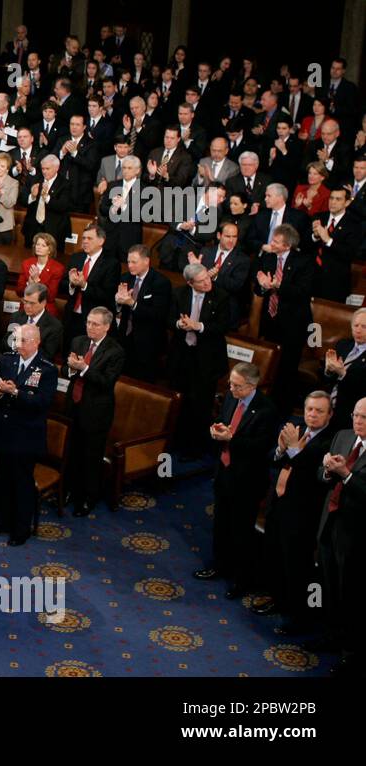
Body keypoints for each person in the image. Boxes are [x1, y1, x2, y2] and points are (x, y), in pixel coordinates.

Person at [195, 363, 279, 601]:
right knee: (221, 523)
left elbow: (262, 448)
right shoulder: (232, 398)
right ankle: (219, 565)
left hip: (248, 480)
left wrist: (231, 439)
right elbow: (223, 419)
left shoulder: (267, 410)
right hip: (224, 471)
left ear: (252, 386)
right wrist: (217, 429)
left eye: (237, 385)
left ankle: (241, 580)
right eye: (230, 383)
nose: (231, 388)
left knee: (242, 531)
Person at [260, 391, 335, 633]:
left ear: (329, 415)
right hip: (279, 502)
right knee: (275, 556)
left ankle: (297, 617)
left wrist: (292, 448)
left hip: (304, 513)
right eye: (309, 409)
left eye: (319, 411)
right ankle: (278, 600)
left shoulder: (330, 441)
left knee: (296, 567)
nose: (312, 415)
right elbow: (273, 459)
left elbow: (310, 471)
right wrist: (281, 450)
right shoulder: (298, 428)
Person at [0, 323, 57, 545]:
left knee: (22, 484)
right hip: (4, 432)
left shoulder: (47, 369)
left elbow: (41, 403)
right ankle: (0, 522)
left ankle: (20, 530)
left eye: (23, 341)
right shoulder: (7, 360)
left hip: (26, 437)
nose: (18, 345)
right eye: (16, 340)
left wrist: (15, 392)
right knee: (3, 479)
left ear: (36, 342)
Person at [315, 395, 366, 676]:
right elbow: (322, 478)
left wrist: (346, 475)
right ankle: (331, 635)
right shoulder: (344, 436)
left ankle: (351, 652)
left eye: (363, 417)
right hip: (330, 523)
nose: (357, 421)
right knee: (329, 584)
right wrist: (326, 471)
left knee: (352, 594)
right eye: (355, 415)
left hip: (356, 536)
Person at [64, 307, 125, 516]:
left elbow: (106, 383)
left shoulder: (115, 351)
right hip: (73, 407)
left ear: (107, 326)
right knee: (71, 452)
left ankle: (89, 498)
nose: (90, 327)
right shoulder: (78, 341)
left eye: (95, 324)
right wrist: (72, 368)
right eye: (88, 322)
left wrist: (84, 369)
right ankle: (69, 490)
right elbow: (67, 370)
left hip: (96, 412)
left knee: (90, 458)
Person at [169, 263, 231, 457]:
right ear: (189, 283)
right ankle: (176, 441)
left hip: (207, 359)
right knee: (181, 401)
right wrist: (179, 324)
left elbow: (224, 326)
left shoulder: (221, 296)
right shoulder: (179, 294)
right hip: (182, 356)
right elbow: (168, 318)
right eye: (201, 280)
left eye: (207, 277)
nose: (207, 282)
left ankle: (195, 448)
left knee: (200, 405)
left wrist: (199, 326)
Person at [253, 224, 314, 413]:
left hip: (293, 324)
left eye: (276, 241)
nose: (271, 243)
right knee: (269, 366)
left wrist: (278, 286)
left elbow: (303, 292)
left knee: (286, 370)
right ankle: (265, 405)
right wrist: (263, 286)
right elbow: (258, 289)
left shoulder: (304, 262)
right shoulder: (269, 259)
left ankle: (282, 410)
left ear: (287, 245)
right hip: (271, 321)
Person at [114, 245, 173, 381]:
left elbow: (159, 315)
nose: (130, 265)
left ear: (146, 261)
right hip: (124, 338)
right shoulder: (125, 278)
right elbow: (117, 308)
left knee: (143, 381)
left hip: (148, 343)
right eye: (128, 262)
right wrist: (118, 302)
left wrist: (132, 303)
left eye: (134, 262)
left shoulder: (160, 282)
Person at [61, 225, 120, 348]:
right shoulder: (76, 258)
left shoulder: (111, 263)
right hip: (72, 317)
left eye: (89, 238)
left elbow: (107, 295)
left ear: (101, 241)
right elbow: (62, 285)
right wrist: (72, 284)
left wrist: (84, 285)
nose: (85, 241)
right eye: (83, 238)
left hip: (94, 321)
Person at [322, 309, 366, 432]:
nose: (358, 330)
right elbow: (325, 379)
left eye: (364, 327)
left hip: (350, 410)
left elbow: (362, 389)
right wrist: (329, 370)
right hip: (327, 403)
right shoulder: (343, 345)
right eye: (356, 325)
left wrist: (343, 373)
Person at [10, 282, 63, 362]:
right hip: (13, 362)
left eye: (32, 303)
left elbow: (47, 356)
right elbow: (5, 343)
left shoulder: (54, 326)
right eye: (25, 301)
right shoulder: (16, 317)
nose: (27, 306)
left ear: (43, 303)